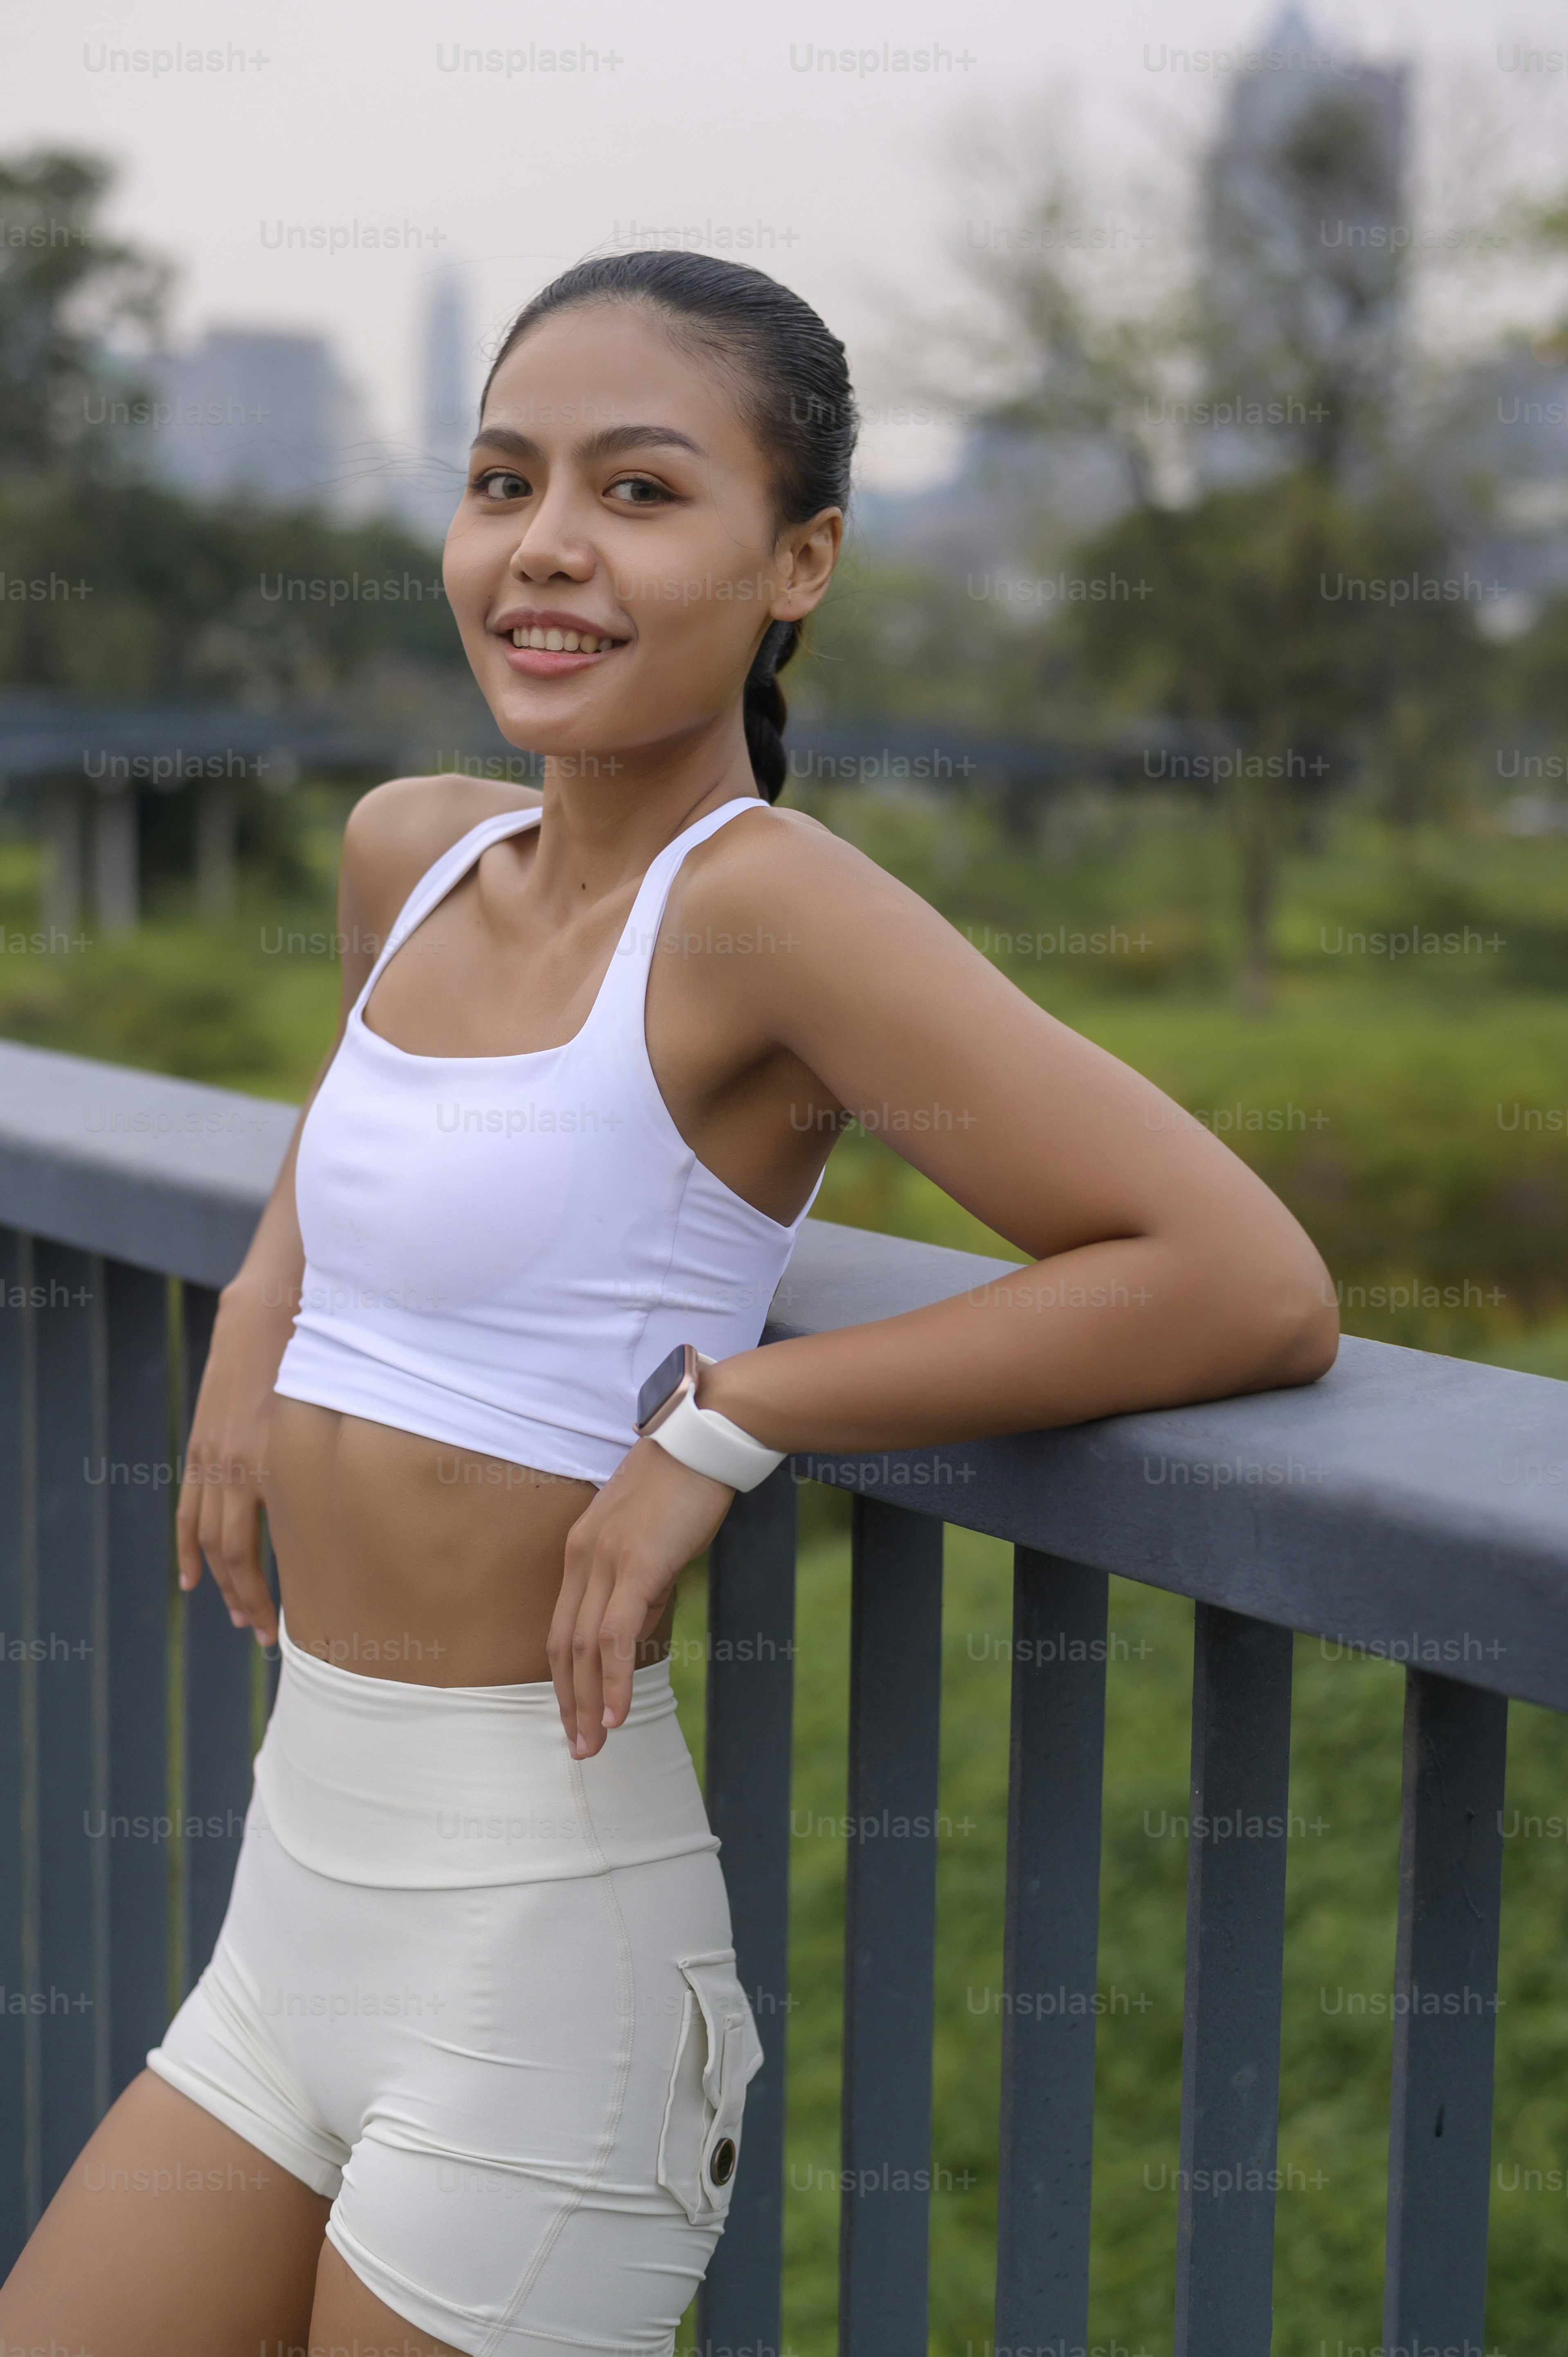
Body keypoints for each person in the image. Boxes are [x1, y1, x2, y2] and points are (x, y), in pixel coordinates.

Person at [0, 251, 1337, 2357]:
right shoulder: (408, 853)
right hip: (292, 1907)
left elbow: (1240, 1282)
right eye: (501, 479)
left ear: (796, 558)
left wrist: (739, 1415)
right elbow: (362, 1120)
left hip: (543, 1959)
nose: (543, 548)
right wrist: (265, 1297)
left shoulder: (764, 913)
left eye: (638, 492)